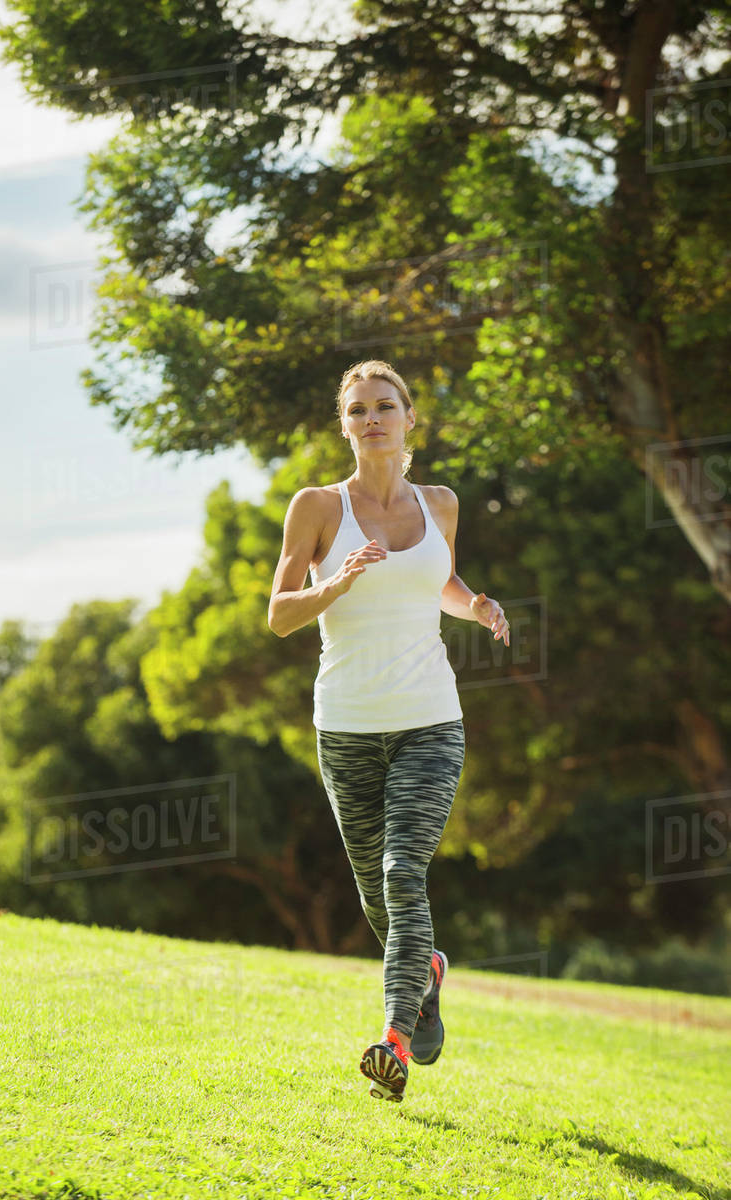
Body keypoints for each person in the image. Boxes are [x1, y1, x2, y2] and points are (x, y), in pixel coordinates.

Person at [267, 359, 509, 1103]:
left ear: (409, 418)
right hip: (345, 726)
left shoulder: (442, 504)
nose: (371, 418)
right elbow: (279, 614)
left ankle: (393, 1041)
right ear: (345, 425)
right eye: (358, 409)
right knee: (378, 894)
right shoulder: (316, 506)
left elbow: (439, 582)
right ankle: (426, 971)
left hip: (430, 720)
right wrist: (335, 583)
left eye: (384, 406)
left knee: (404, 874)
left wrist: (476, 606)